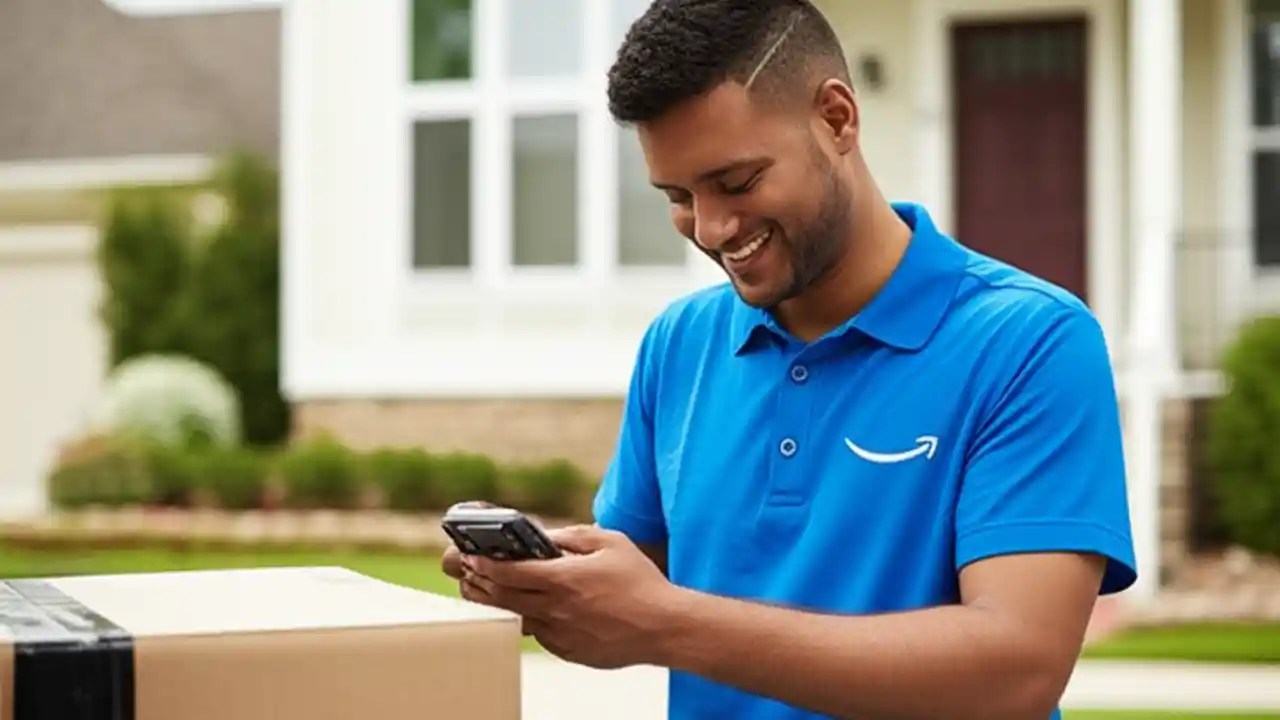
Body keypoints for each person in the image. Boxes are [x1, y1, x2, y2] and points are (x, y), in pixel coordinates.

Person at [442, 1, 1137, 718]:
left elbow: (1016, 670)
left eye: (737, 183)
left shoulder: (1030, 343)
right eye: (678, 197)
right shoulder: (679, 343)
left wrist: (667, 623)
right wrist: (549, 591)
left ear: (837, 118)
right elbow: (635, 595)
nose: (711, 229)